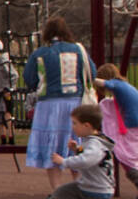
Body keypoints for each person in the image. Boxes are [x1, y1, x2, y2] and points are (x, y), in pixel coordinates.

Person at [28, 103, 138, 199]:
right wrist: (77, 149)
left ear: (87, 125)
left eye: (75, 124)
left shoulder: (94, 143)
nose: (73, 127)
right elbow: (90, 156)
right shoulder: (93, 140)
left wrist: (64, 161)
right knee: (61, 193)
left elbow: (87, 160)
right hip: (85, 185)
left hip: (97, 190)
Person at [21, 16, 95, 189]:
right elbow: (91, 72)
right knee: (75, 144)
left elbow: (29, 78)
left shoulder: (39, 53)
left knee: (51, 146)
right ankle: (80, 185)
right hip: (74, 103)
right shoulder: (78, 49)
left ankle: (56, 189)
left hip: (49, 105)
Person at [95, 63, 138, 199]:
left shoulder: (117, 85)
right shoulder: (125, 86)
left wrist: (89, 76)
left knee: (124, 152)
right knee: (127, 151)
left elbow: (109, 85)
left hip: (134, 121)